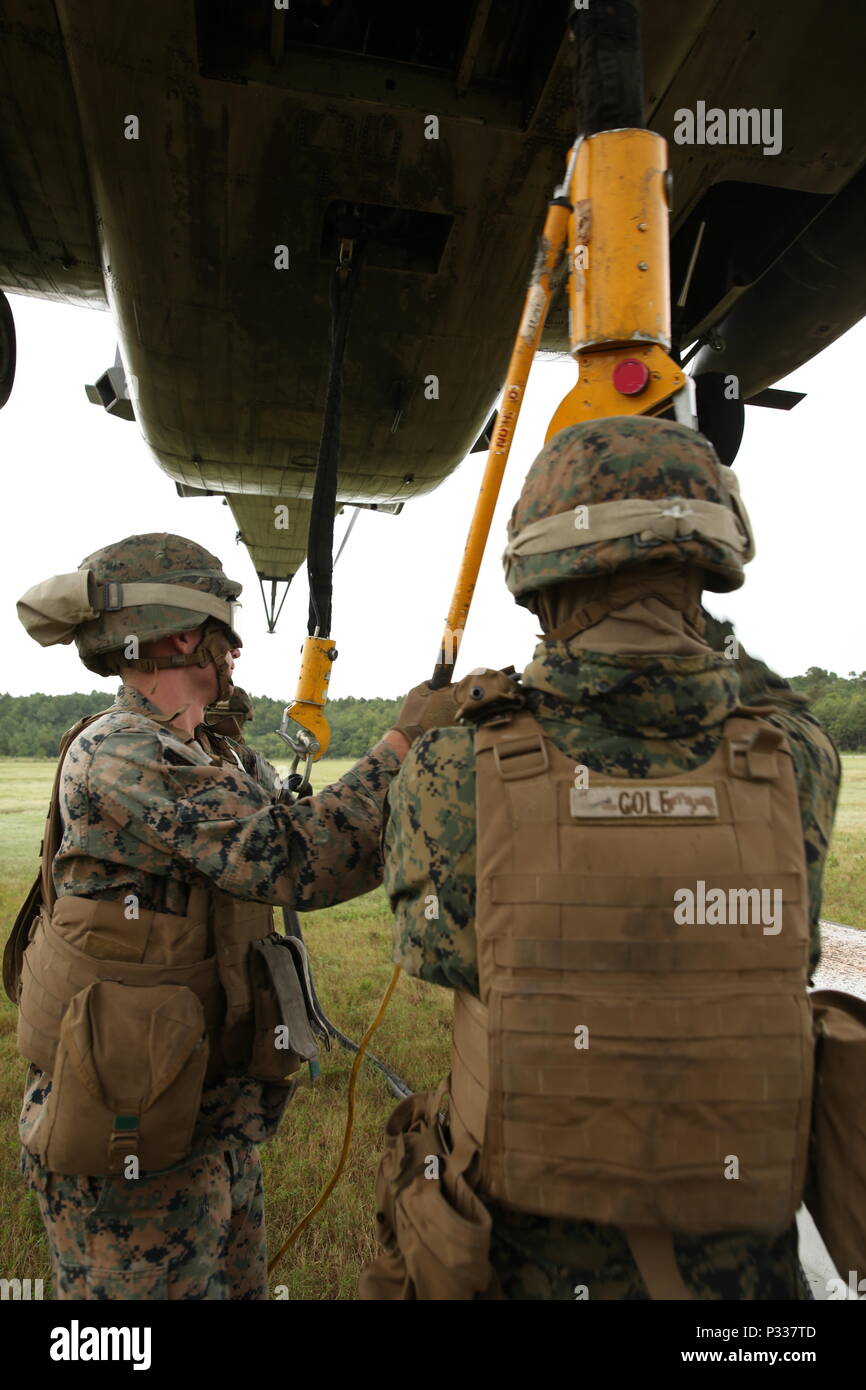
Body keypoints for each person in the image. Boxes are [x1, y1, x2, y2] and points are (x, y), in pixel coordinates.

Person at [361, 415, 841, 1301]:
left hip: (520, 1266)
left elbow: (434, 955)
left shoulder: (451, 765)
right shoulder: (798, 758)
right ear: (713, 569)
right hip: (743, 1291)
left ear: (538, 582)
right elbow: (762, 692)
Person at [7, 532, 457, 1300]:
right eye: (226, 630)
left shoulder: (211, 747)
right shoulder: (121, 752)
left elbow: (309, 828)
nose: (236, 650)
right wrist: (404, 741)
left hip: (201, 1113)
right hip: (131, 1125)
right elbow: (293, 859)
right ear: (186, 634)